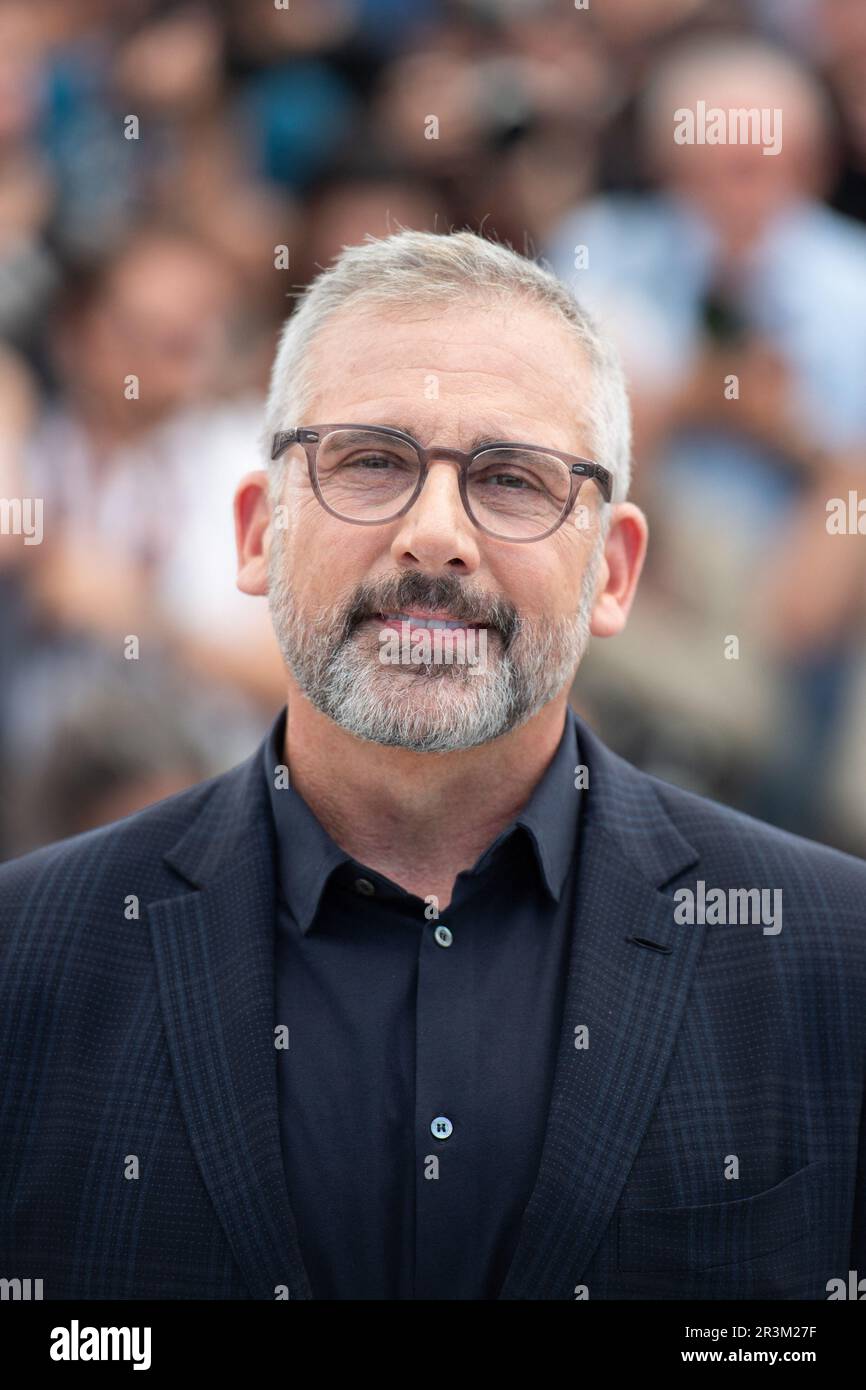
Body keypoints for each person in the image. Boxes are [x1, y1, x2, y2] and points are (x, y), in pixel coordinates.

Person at [0, 230, 864, 1302]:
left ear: (613, 569)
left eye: (509, 479)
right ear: (257, 531)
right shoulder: (26, 960)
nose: (435, 534)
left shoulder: (834, 957)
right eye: (371, 460)